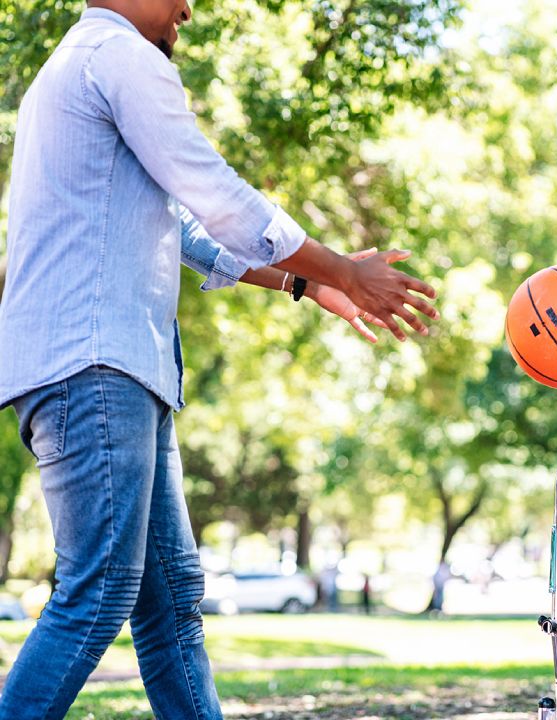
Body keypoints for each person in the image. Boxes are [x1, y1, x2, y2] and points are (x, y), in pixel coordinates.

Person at [0, 1, 438, 717]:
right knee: (99, 591)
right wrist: (345, 271)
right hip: (94, 363)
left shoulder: (78, 65)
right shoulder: (119, 58)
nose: (189, 10)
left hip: (113, 366)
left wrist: (308, 278)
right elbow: (220, 197)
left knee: (171, 600)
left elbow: (184, 226)